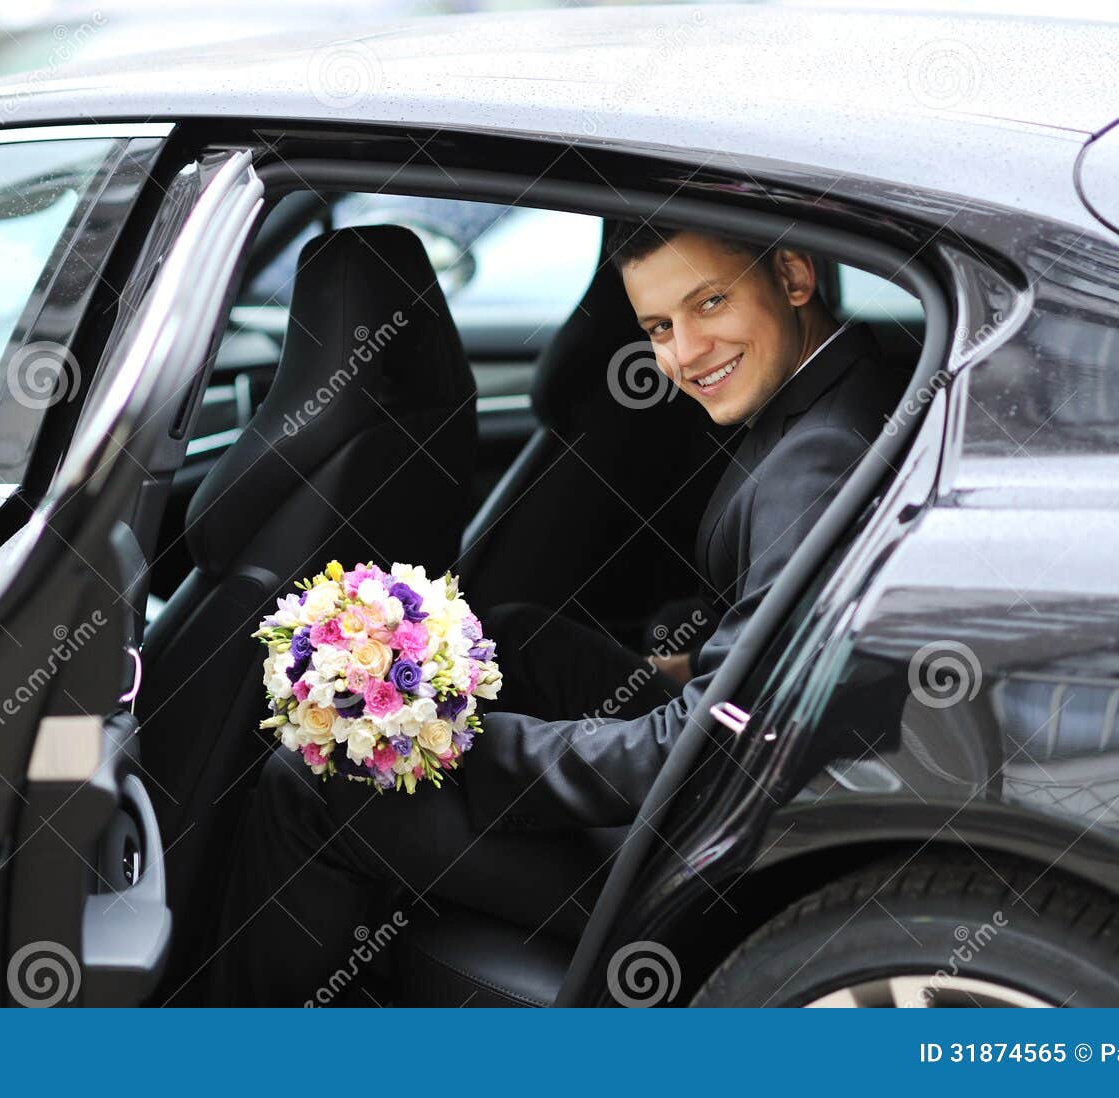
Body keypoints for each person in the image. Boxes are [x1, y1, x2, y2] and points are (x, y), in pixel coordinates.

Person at [210, 221, 905, 1005]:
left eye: (711, 303)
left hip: (708, 852)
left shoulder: (812, 463)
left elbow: (702, 752)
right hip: (771, 761)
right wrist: (681, 665)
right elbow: (776, 645)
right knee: (519, 636)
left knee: (310, 783)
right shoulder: (854, 377)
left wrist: (445, 743)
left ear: (795, 274)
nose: (686, 353)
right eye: (659, 328)